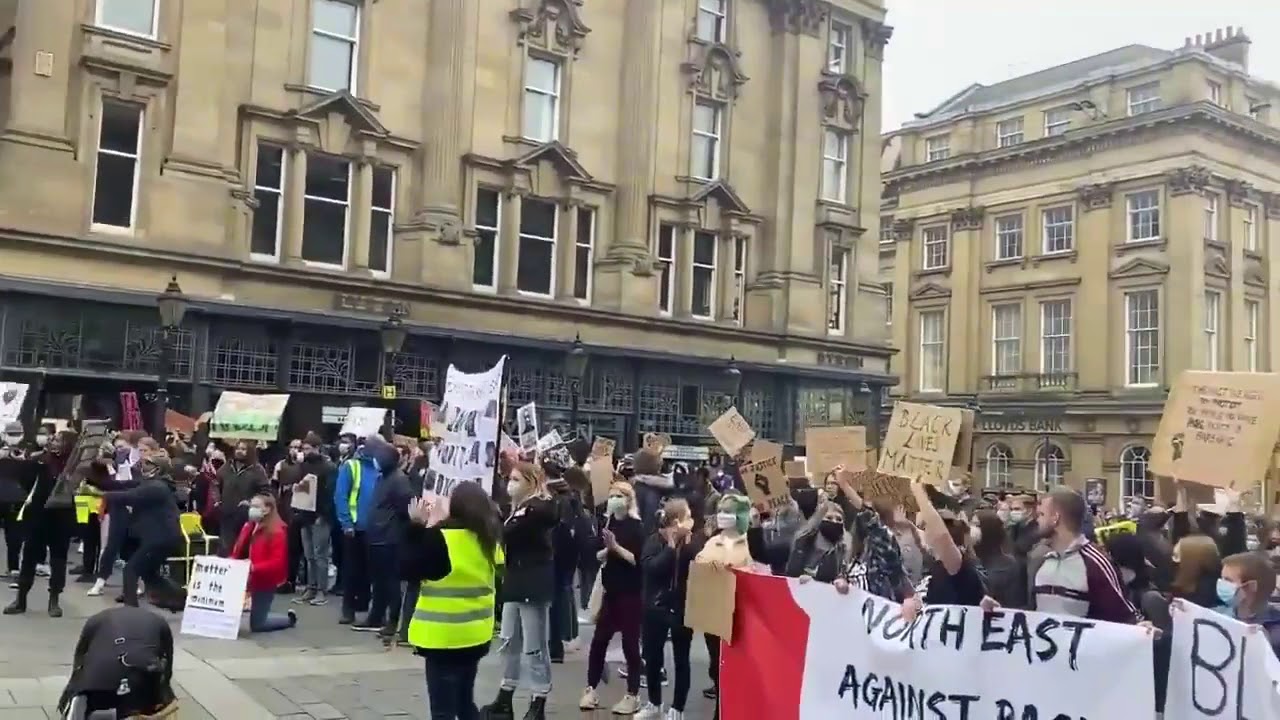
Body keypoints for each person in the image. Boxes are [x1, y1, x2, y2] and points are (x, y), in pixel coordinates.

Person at [403, 480, 504, 720]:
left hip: (443, 638)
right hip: (476, 636)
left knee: (442, 710)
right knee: (463, 701)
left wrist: (418, 526)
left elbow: (406, 568)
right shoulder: (490, 540)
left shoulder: (440, 538)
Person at [480, 461, 558, 720]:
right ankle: (506, 693)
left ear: (530, 482)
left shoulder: (537, 509)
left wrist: (491, 520)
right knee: (508, 640)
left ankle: (539, 699)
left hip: (532, 582)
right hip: (516, 580)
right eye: (509, 479)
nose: (509, 484)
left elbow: (508, 533)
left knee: (534, 645)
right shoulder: (519, 509)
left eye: (515, 479)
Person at [994, 487, 1139, 623]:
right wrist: (997, 612)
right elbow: (1032, 612)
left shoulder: (1095, 563)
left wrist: (1142, 629)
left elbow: (1124, 615)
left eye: (1041, 514)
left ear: (1055, 518)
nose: (1037, 520)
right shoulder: (1041, 560)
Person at [634, 498, 703, 720]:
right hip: (654, 607)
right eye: (687, 517)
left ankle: (678, 707)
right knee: (653, 658)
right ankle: (654, 702)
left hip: (682, 608)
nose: (691, 521)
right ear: (676, 521)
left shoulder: (693, 544)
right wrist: (671, 548)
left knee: (682, 658)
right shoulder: (654, 541)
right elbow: (650, 568)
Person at [580, 482, 646, 714]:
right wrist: (606, 549)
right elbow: (599, 555)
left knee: (630, 644)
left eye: (619, 495)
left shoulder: (637, 527)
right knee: (599, 641)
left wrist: (615, 547)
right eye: (611, 495)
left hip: (630, 593)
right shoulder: (608, 523)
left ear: (628, 500)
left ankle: (632, 694)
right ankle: (590, 689)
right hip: (610, 592)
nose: (614, 499)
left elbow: (635, 559)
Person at [92, 454, 185, 611]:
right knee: (148, 573)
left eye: (148, 463)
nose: (144, 465)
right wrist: (99, 484)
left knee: (131, 569)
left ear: (158, 468)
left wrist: (101, 494)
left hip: (160, 537)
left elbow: (131, 496)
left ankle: (130, 608)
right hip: (160, 537)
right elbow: (124, 485)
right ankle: (183, 598)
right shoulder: (150, 483)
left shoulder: (157, 487)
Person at [56, 605, 178, 718]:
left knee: (87, 689)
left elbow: (80, 656)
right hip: (136, 670)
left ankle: (77, 698)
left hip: (100, 674)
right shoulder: (159, 622)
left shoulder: (98, 619)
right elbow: (168, 672)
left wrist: (73, 685)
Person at [5, 429, 78, 617]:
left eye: (59, 440)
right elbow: (24, 480)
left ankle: (54, 600)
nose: (53, 442)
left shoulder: (74, 465)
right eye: (53, 439)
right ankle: (21, 599)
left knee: (58, 559)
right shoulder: (43, 460)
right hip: (38, 514)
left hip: (62, 516)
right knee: (29, 556)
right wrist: (31, 462)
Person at [358, 437, 414, 639]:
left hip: (390, 539)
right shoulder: (383, 477)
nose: (374, 461)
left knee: (391, 583)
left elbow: (405, 509)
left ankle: (392, 620)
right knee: (379, 581)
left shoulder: (399, 480)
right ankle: (376, 616)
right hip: (376, 538)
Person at [231, 493, 297, 633]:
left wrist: (254, 568)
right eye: (251, 506)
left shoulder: (276, 532)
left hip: (263, 580)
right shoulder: (250, 526)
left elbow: (277, 562)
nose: (251, 509)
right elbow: (239, 549)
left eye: (256, 506)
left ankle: (289, 619)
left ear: (267, 509)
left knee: (258, 624)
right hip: (244, 575)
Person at [334, 439, 382, 624]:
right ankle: (348, 609)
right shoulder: (351, 466)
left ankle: (366, 605)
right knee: (352, 571)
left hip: (376, 529)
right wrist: (346, 522)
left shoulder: (381, 469)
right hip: (354, 528)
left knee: (373, 572)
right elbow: (341, 496)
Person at [292, 433, 336, 606]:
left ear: (317, 448)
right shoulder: (303, 466)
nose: (304, 451)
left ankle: (321, 590)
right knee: (309, 555)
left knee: (320, 555)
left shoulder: (328, 467)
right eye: (303, 448)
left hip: (320, 516)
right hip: (305, 515)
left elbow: (330, 493)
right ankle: (311, 587)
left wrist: (324, 515)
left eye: (308, 448)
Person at [1218, 551, 1280, 657]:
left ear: (1251, 586)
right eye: (1222, 578)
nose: (1220, 583)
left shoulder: (1275, 630)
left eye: (1228, 580)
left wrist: (1264, 645)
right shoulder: (1217, 614)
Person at [215, 441, 269, 556]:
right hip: (227, 513)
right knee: (226, 548)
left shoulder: (257, 470)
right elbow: (216, 484)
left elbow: (265, 492)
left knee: (243, 548)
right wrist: (218, 500)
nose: (239, 451)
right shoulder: (227, 467)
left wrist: (250, 502)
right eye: (238, 448)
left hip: (247, 515)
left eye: (243, 449)